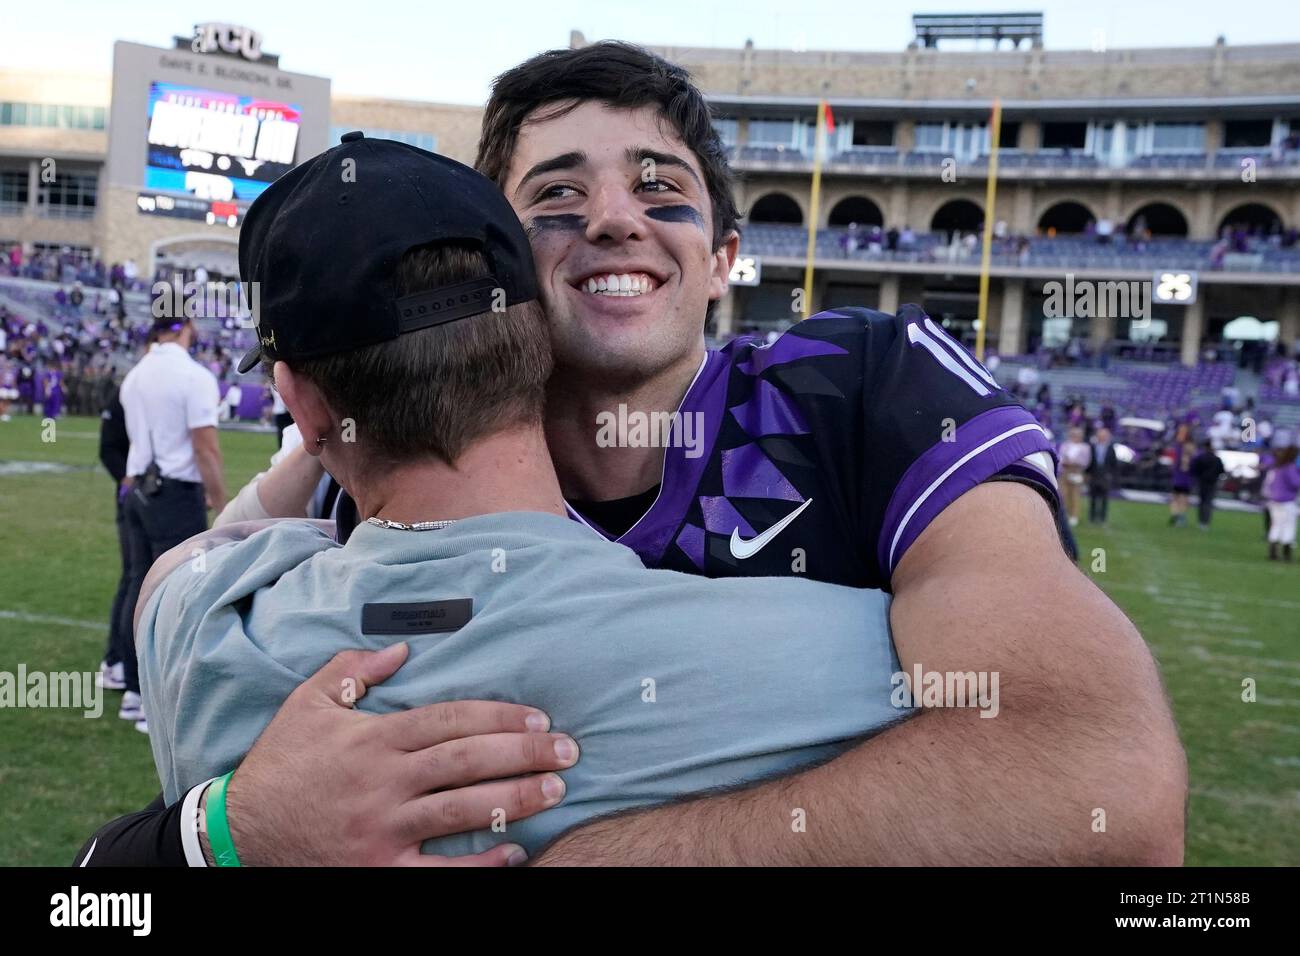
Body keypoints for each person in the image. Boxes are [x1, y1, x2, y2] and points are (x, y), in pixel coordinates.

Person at [79, 42, 1183, 868]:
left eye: (662, 190)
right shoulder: (367, 458)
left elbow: (1100, 779)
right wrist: (226, 829)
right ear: (500, 257)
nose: (613, 218)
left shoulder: (862, 389)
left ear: (724, 260)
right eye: (556, 196)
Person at [132, 140, 910, 861]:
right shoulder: (835, 648)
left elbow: (196, 555)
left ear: (297, 404)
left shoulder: (201, 627)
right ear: (546, 347)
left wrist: (319, 421)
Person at [116, 313, 227, 731]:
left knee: (137, 585)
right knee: (175, 592)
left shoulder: (136, 374)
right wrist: (221, 502)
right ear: (184, 327)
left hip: (138, 488)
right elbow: (205, 449)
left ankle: (133, 688)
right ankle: (154, 694)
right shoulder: (192, 376)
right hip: (174, 493)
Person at [95, 391, 131, 692]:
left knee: (141, 577)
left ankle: (121, 664)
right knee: (136, 577)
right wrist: (127, 479)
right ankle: (119, 663)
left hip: (161, 495)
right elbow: (107, 449)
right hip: (141, 498)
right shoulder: (126, 391)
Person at [1262, 446, 1300, 561]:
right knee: (1288, 526)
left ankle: (1272, 552)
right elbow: (1295, 483)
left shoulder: (1278, 467)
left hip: (1274, 500)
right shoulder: (1290, 468)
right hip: (1287, 501)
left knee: (1276, 525)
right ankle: (1286, 554)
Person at [1086, 426, 1120, 524]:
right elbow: (1089, 462)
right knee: (1093, 498)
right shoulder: (1092, 447)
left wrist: (1111, 476)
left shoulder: (1111, 448)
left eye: (1105, 435)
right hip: (1094, 475)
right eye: (1101, 435)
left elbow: (1114, 464)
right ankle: (1092, 518)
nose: (1102, 437)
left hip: (1105, 477)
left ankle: (1102, 518)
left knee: (1104, 499)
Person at [1057, 426, 1090, 527]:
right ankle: (1063, 515)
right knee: (1063, 494)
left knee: (1075, 495)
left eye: (1077, 435)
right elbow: (1060, 457)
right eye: (1073, 435)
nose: (1075, 437)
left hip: (1077, 472)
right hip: (1065, 472)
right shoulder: (1065, 445)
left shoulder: (1085, 447)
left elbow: (1085, 462)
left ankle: (1074, 516)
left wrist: (1074, 463)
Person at [1189, 440, 1225, 530]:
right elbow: (1222, 471)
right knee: (1208, 502)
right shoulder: (1217, 459)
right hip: (1212, 483)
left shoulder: (1200, 458)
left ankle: (1201, 521)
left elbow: (1194, 469)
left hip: (1202, 482)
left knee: (1202, 502)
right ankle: (1205, 522)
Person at [1168, 424, 1195, 527]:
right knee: (1183, 498)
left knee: (1176, 497)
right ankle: (1180, 516)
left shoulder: (1179, 445)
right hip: (1185, 476)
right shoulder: (1187, 445)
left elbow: (1183, 461)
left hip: (1180, 475)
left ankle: (1176, 515)